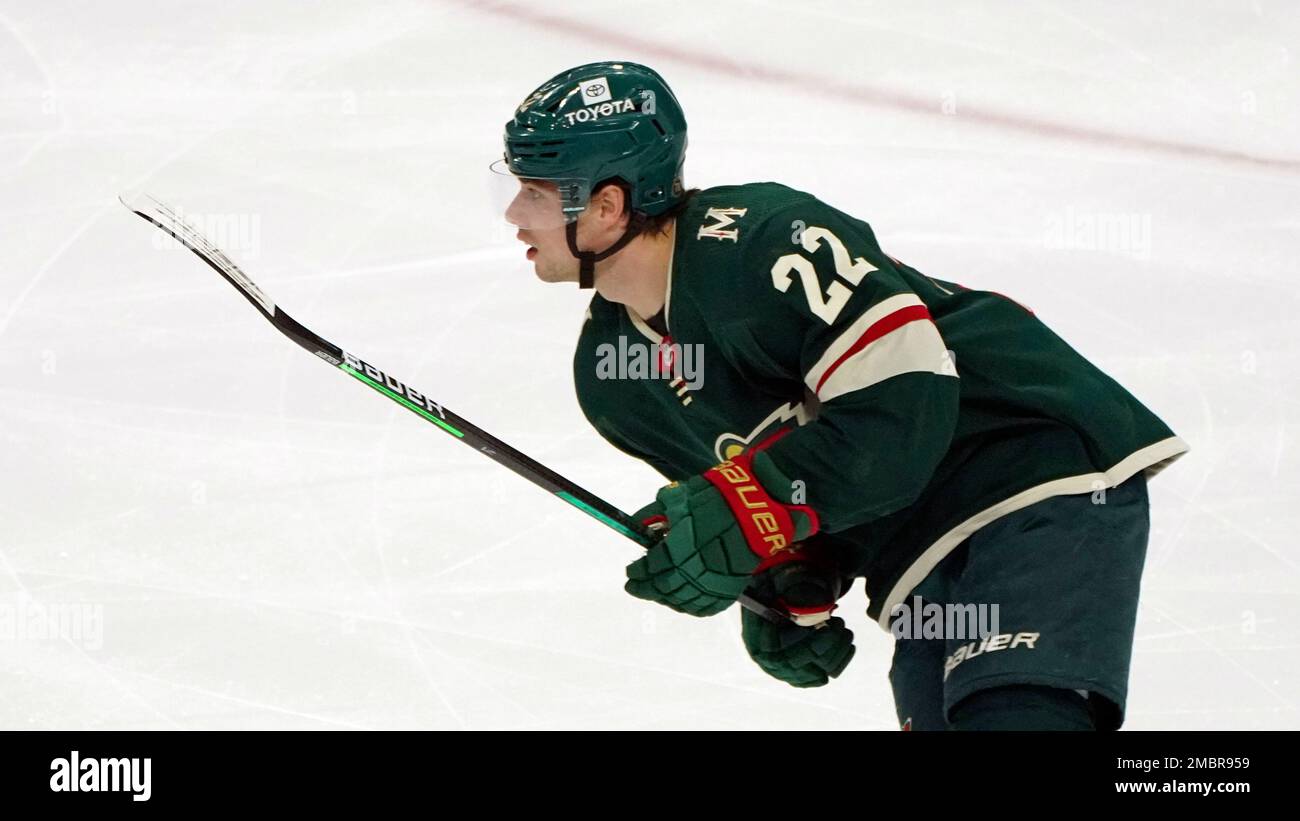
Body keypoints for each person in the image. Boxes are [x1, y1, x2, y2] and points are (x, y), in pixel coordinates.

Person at [493, 61, 1187, 730]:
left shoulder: (763, 240)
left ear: (609, 204)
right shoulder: (616, 382)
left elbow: (904, 409)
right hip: (914, 554)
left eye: (535, 191)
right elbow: (802, 491)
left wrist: (749, 506)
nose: (515, 214)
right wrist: (788, 578)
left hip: (1028, 471)